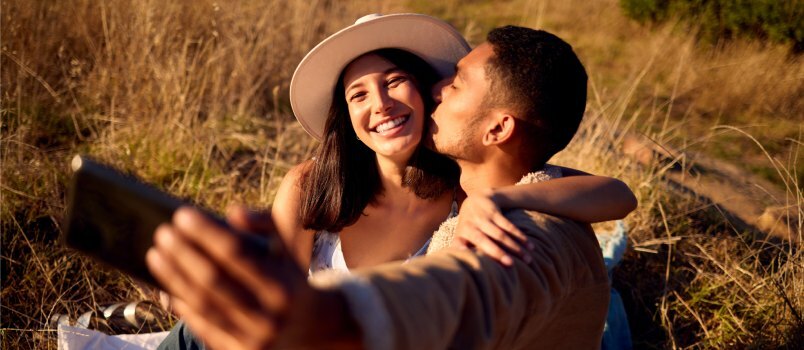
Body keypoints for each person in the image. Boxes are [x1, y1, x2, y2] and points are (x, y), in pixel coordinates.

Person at [149, 16, 619, 350]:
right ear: (346, 115)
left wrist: (496, 199)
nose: (380, 104)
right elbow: (272, 303)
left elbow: (616, 193)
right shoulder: (311, 187)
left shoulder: (464, 191)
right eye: (358, 94)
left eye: (395, 82)